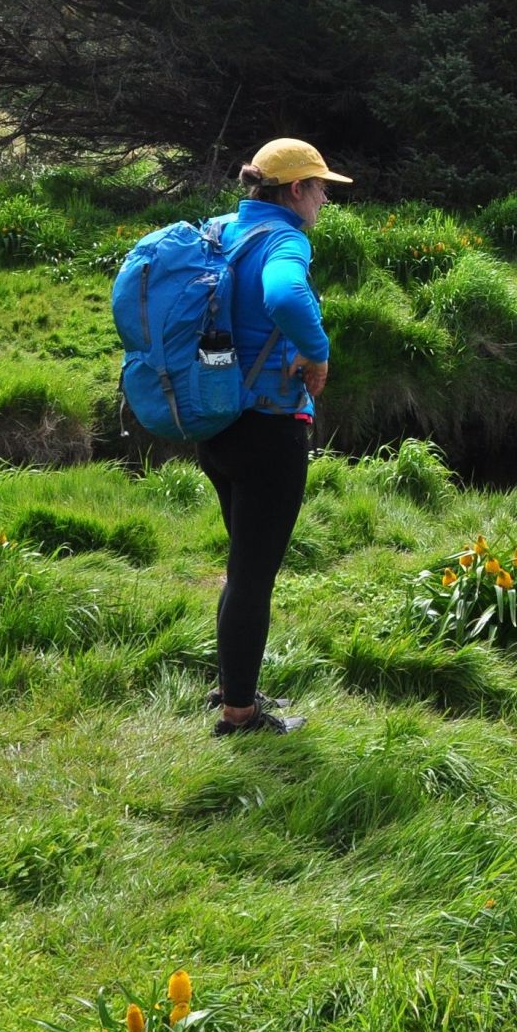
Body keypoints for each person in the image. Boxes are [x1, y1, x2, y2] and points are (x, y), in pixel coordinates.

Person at [203, 138, 349, 737]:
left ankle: (232, 683)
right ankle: (240, 714)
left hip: (215, 421)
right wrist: (318, 354)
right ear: (295, 191)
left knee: (243, 566)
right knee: (254, 574)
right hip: (268, 429)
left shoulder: (223, 229)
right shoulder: (286, 239)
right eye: (319, 188)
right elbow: (284, 295)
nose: (322, 200)